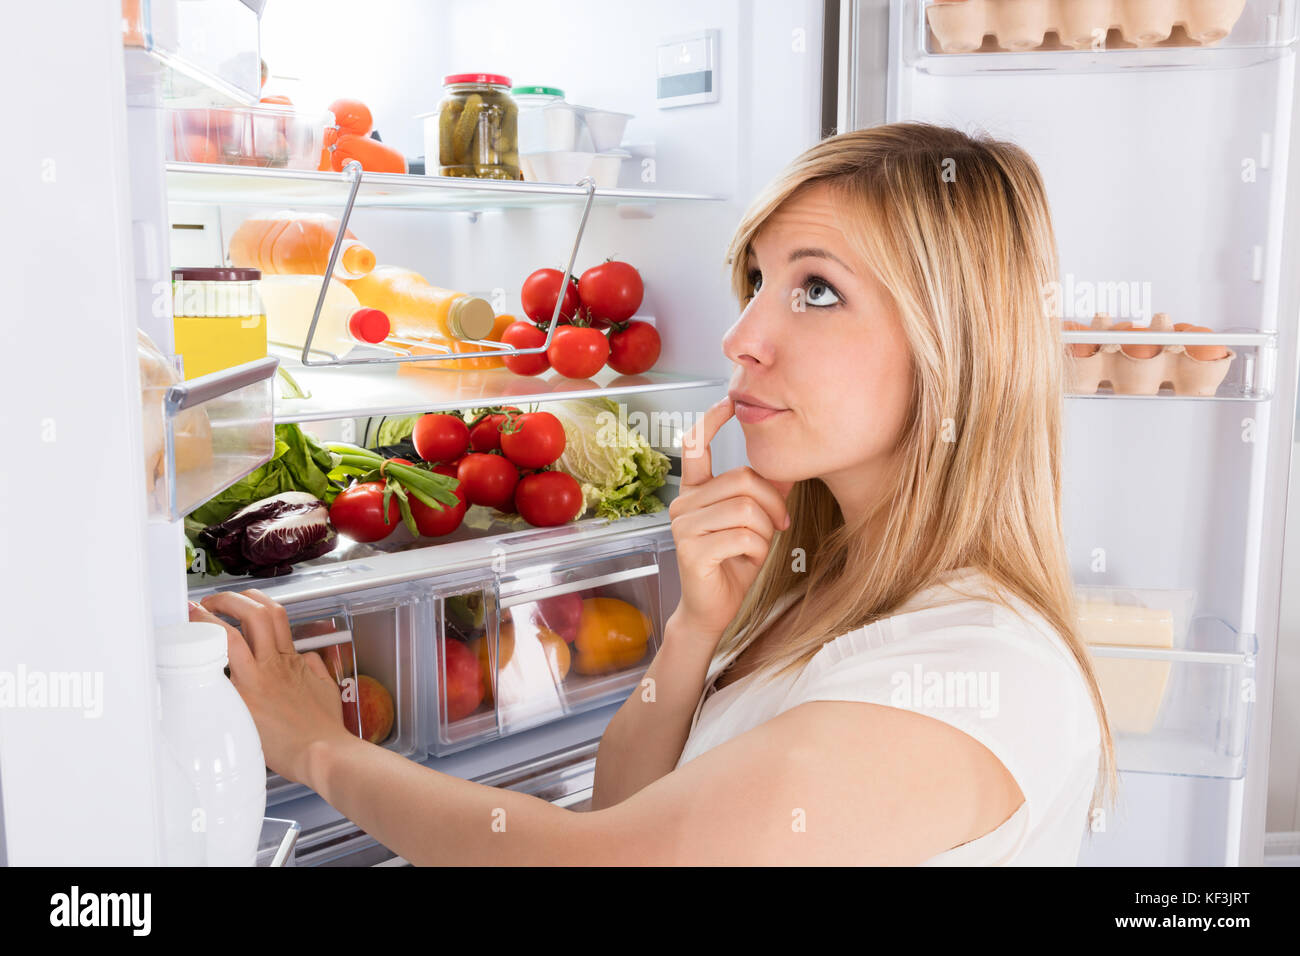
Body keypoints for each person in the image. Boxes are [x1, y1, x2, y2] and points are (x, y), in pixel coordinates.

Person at [190, 122, 1113, 865]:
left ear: (957, 344)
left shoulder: (981, 673)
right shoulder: (818, 585)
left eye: (818, 291)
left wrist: (319, 747)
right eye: (759, 280)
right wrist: (694, 633)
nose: (741, 336)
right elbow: (624, 806)